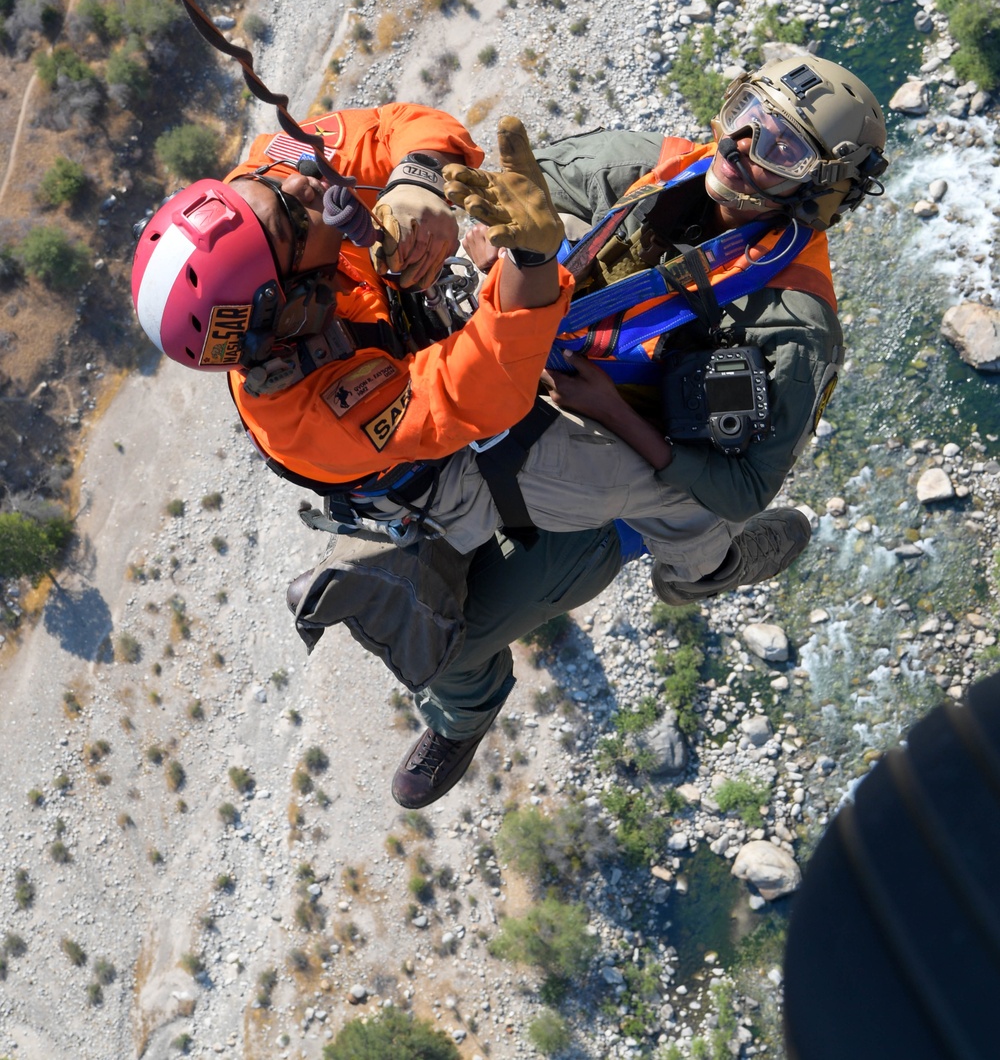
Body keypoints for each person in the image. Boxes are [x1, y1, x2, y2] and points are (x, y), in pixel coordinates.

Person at [132, 54, 887, 807]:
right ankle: (464, 715)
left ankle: (706, 570)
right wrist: (521, 260)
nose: (303, 189)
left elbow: (408, 134)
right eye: (745, 122)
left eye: (778, 145)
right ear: (291, 305)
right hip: (460, 443)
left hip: (572, 426)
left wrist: (415, 182)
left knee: (678, 511)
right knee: (439, 641)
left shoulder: (273, 186)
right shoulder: (313, 407)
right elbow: (477, 395)